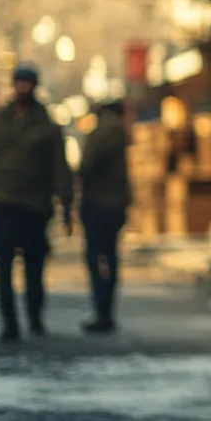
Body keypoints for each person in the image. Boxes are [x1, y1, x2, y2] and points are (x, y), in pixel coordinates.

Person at [0, 64, 74, 342]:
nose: (23, 88)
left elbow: (59, 168)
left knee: (34, 265)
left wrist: (66, 206)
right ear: (14, 85)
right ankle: (9, 323)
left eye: (28, 83)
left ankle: (34, 317)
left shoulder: (47, 126)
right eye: (20, 82)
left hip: (34, 205)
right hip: (3, 201)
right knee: (3, 265)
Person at [77, 99, 130, 335]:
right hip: (116, 205)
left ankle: (101, 311)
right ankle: (108, 311)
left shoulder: (99, 135)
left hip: (96, 204)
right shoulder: (121, 135)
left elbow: (86, 167)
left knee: (95, 258)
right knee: (111, 256)